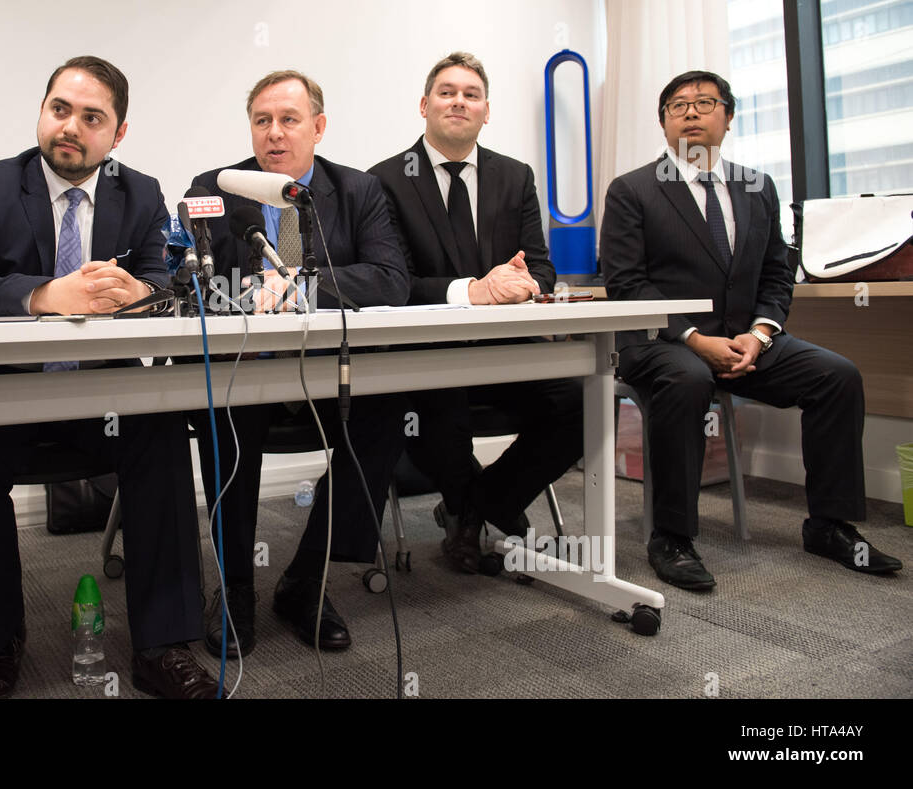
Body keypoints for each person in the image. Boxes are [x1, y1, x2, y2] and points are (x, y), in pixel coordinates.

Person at [0, 55, 215, 699]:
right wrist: (47, 295)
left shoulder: (139, 192)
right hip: (4, 399)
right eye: (60, 109)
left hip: (99, 398)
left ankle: (161, 646)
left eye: (92, 118)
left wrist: (139, 289)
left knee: (164, 430)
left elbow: (165, 284)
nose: (71, 128)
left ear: (117, 134)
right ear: (41, 111)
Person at [600, 69, 902, 590]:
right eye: (678, 105)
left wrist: (760, 334)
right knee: (688, 378)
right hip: (661, 343)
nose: (691, 112)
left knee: (837, 376)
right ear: (663, 122)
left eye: (705, 102)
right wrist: (695, 339)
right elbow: (626, 284)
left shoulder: (757, 187)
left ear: (729, 116)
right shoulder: (633, 191)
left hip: (747, 342)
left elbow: (777, 273)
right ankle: (671, 537)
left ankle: (830, 525)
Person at [187, 70, 409, 658]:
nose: (275, 133)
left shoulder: (357, 190)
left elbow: (391, 279)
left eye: (289, 119)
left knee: (387, 413)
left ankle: (306, 581)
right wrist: (237, 290)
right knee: (230, 415)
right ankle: (234, 588)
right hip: (249, 371)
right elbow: (189, 279)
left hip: (330, 371)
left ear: (319, 126)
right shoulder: (216, 186)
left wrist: (302, 287)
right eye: (262, 120)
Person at [368, 52, 584, 574]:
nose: (458, 101)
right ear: (424, 105)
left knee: (582, 399)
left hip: (507, 348)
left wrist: (525, 284)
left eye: (471, 94)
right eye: (446, 91)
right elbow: (392, 283)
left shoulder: (515, 176)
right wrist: (473, 290)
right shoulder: (384, 181)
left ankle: (478, 503)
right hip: (428, 352)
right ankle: (474, 509)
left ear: (487, 111)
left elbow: (543, 270)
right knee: (435, 405)